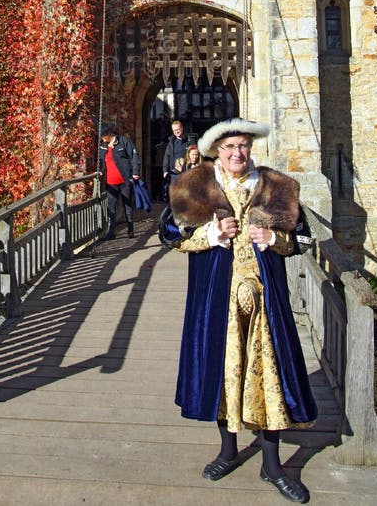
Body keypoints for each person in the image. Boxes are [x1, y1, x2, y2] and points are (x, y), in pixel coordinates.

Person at [168, 117, 317, 504]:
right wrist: (208, 235)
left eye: (243, 146)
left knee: (271, 373)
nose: (237, 153)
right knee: (221, 369)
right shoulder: (193, 187)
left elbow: (303, 238)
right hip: (215, 297)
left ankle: (272, 464)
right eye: (230, 147)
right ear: (217, 150)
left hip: (267, 301)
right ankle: (227, 450)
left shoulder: (275, 187)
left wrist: (274, 237)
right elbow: (169, 234)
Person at [99, 124, 141, 240]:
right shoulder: (104, 146)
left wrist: (135, 172)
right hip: (111, 181)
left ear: (108, 135)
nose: (102, 139)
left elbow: (134, 156)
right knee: (111, 206)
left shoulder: (124, 141)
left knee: (127, 204)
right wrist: (101, 172)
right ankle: (111, 231)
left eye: (103, 137)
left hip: (124, 179)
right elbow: (104, 163)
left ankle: (130, 228)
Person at [162, 120, 188, 199]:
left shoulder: (189, 141)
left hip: (186, 172)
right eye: (174, 130)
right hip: (174, 173)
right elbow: (167, 156)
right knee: (174, 197)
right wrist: (165, 170)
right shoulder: (171, 143)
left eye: (177, 129)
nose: (176, 132)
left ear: (182, 128)